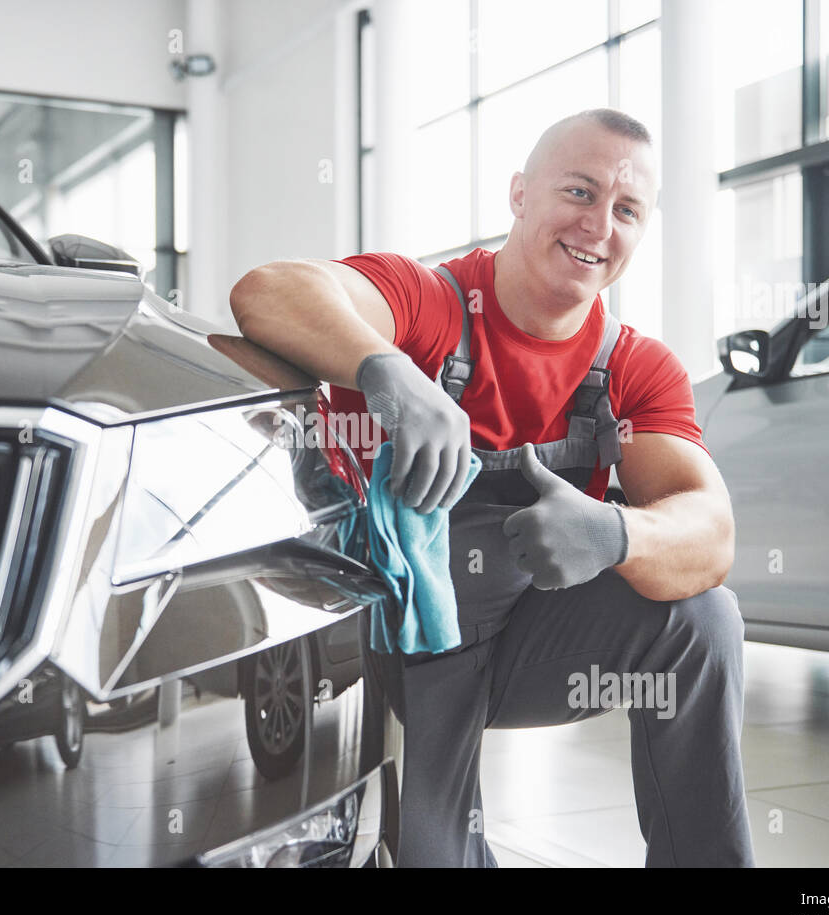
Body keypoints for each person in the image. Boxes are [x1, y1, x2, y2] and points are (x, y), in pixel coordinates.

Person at [228, 108, 754, 867]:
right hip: (394, 649)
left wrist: (617, 534)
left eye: (627, 210)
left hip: (533, 650)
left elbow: (711, 533)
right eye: (579, 191)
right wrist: (387, 369)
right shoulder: (431, 306)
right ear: (519, 194)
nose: (599, 224)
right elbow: (268, 292)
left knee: (704, 621)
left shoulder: (633, 369)